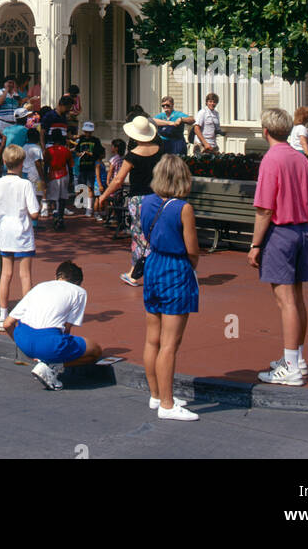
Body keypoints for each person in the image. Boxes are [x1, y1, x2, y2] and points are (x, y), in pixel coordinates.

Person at [250, 107, 308, 387]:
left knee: (285, 300)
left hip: (281, 231)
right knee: (297, 298)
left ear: (266, 131)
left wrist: (254, 244)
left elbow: (264, 209)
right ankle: (296, 357)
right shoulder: (302, 160)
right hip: (302, 230)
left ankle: (291, 366)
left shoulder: (271, 160)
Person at [141, 155, 201, 420]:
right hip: (174, 268)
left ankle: (156, 394)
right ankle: (167, 403)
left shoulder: (146, 201)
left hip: (153, 264)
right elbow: (192, 250)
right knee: (170, 343)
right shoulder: (183, 208)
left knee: (152, 338)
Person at [3, 260, 103, 390]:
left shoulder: (39, 286)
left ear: (56, 277)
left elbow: (7, 324)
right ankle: (52, 366)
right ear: (78, 283)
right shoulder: (79, 292)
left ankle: (47, 362)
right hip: (48, 342)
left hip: (24, 340)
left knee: (45, 346)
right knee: (95, 350)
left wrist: (25, 348)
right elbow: (66, 330)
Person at [95, 116, 163, 284]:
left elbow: (118, 180)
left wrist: (103, 196)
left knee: (139, 235)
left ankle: (135, 272)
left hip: (139, 198)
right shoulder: (160, 151)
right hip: (158, 196)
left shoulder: (132, 156)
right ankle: (148, 270)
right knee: (155, 234)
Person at [0, 144, 40, 329]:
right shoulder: (25, 184)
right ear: (22, 163)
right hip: (22, 232)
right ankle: (26, 315)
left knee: (5, 273)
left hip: (4, 231)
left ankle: (3, 315)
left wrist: (3, 212)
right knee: (25, 275)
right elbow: (34, 213)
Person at [44, 128, 74, 230]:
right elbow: (70, 166)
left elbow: (46, 165)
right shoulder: (66, 151)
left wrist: (44, 177)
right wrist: (71, 179)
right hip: (64, 175)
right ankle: (61, 217)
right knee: (62, 198)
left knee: (53, 198)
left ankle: (55, 216)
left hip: (52, 175)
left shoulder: (48, 151)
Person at [73, 122, 105, 216]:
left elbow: (99, 152)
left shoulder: (96, 140)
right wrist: (80, 154)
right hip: (82, 166)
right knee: (82, 187)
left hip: (92, 166)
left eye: (89, 132)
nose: (87, 134)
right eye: (86, 132)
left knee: (90, 187)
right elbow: (77, 151)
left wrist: (91, 154)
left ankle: (89, 208)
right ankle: (82, 204)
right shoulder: (81, 140)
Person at [21, 126, 46, 217]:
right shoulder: (36, 148)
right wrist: (43, 178)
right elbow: (38, 164)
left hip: (25, 173)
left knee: (27, 196)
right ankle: (35, 221)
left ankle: (28, 218)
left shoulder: (24, 147)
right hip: (35, 174)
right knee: (37, 197)